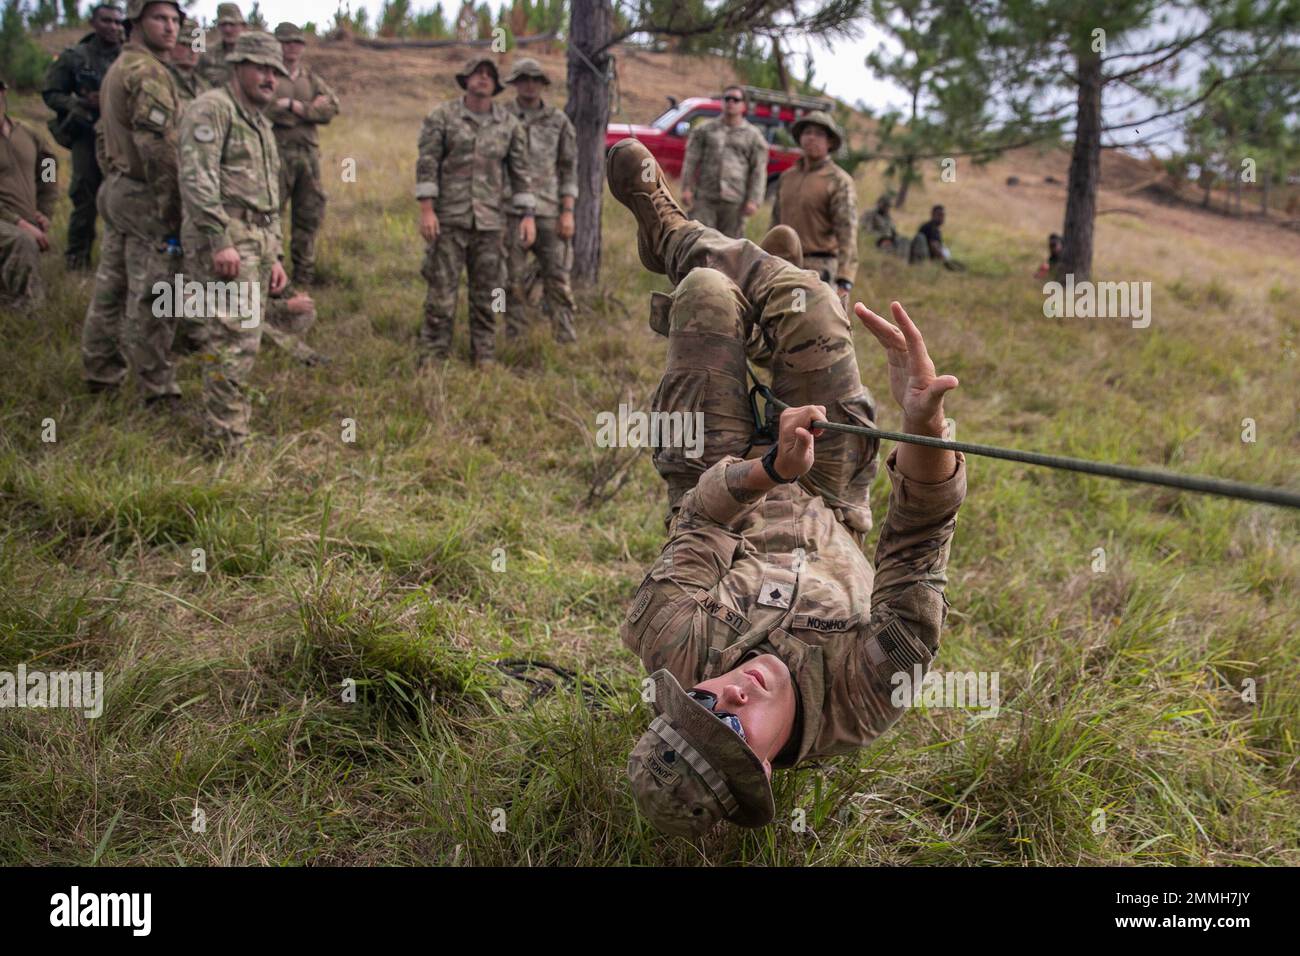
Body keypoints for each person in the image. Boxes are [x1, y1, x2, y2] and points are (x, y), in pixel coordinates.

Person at [606, 138, 967, 838]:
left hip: (713, 473)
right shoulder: (865, 696)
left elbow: (703, 520)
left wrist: (766, 470)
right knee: (811, 301)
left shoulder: (672, 647)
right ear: (765, 769)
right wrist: (926, 423)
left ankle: (675, 236)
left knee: (705, 296)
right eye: (734, 725)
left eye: (707, 702)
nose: (731, 693)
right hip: (831, 492)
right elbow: (918, 547)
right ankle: (775, 298)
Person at [179, 31, 290, 453]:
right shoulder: (213, 109)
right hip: (228, 238)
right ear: (237, 65)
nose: (269, 78)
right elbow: (196, 179)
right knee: (232, 339)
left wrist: (275, 253)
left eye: (275, 71)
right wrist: (218, 238)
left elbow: (269, 194)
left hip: (257, 240)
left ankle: (229, 426)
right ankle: (225, 441)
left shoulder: (260, 121)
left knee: (246, 339)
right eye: (261, 68)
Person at [82, 0, 184, 404]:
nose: (171, 27)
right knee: (159, 291)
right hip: (144, 195)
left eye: (176, 20)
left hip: (119, 188)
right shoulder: (147, 71)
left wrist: (114, 173)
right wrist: (172, 209)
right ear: (136, 23)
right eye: (160, 18)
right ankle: (157, 388)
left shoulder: (117, 68)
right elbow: (157, 147)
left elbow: (104, 137)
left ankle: (101, 372)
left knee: (111, 286)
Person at [414, 57, 534, 368]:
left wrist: (528, 215)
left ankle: (484, 355)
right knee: (441, 292)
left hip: (491, 223)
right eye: (476, 74)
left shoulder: (509, 125)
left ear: (495, 85)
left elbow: (521, 173)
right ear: (465, 80)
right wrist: (427, 210)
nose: (482, 79)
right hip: (449, 219)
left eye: (488, 75)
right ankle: (433, 355)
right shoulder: (442, 116)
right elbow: (427, 163)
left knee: (488, 293)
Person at [42, 2, 124, 270]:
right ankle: (77, 259)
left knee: (122, 199)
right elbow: (51, 93)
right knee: (84, 197)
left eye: (117, 21)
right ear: (93, 23)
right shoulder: (76, 57)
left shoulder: (128, 58)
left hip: (120, 138)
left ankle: (119, 262)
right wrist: (79, 103)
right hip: (86, 134)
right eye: (106, 21)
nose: (113, 26)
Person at [501, 57, 577, 344]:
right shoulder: (503, 117)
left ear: (543, 84)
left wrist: (567, 211)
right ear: (515, 84)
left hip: (549, 211)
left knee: (557, 276)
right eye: (523, 79)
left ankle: (565, 336)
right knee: (511, 279)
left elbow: (569, 168)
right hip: (511, 210)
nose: (529, 85)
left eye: (535, 79)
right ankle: (515, 336)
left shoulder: (558, 122)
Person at [266, 21, 338, 287]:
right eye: (286, 42)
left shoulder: (311, 79)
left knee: (308, 215)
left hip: (308, 157)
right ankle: (272, 275)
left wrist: (295, 107)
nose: (292, 48)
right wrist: (309, 110)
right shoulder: (269, 75)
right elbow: (264, 109)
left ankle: (303, 278)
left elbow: (331, 109)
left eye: (297, 42)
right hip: (276, 154)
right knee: (269, 214)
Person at [770, 110, 858, 311]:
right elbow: (775, 224)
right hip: (784, 267)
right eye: (807, 132)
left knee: (817, 329)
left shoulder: (838, 181)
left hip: (820, 270)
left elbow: (847, 232)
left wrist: (845, 280)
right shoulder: (787, 177)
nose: (811, 138)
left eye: (819, 134)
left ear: (830, 142)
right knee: (784, 326)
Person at [0, 75, 58, 311]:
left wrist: (44, 212)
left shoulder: (28, 134)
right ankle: (29, 314)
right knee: (21, 241)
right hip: (9, 223)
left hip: (24, 219)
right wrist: (20, 223)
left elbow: (49, 168)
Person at [679, 85, 768, 239]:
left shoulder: (753, 136)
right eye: (727, 98)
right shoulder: (704, 130)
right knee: (699, 240)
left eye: (736, 99)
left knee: (730, 248)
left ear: (743, 105)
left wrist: (754, 200)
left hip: (735, 201)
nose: (731, 102)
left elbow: (758, 170)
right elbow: (691, 160)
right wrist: (686, 188)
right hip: (705, 198)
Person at [195, 3, 245, 88]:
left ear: (242, 27)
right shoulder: (207, 55)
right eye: (223, 25)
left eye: (232, 24)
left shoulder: (253, 55)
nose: (227, 29)